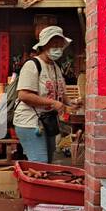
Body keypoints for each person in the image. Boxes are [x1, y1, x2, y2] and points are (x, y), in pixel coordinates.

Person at [13, 26, 75, 163]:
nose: (58, 49)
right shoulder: (32, 65)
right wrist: (52, 103)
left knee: (48, 162)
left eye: (60, 45)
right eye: (54, 45)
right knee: (40, 162)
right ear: (44, 45)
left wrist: (72, 102)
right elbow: (23, 95)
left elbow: (61, 93)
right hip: (30, 122)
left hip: (48, 122)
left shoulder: (55, 67)